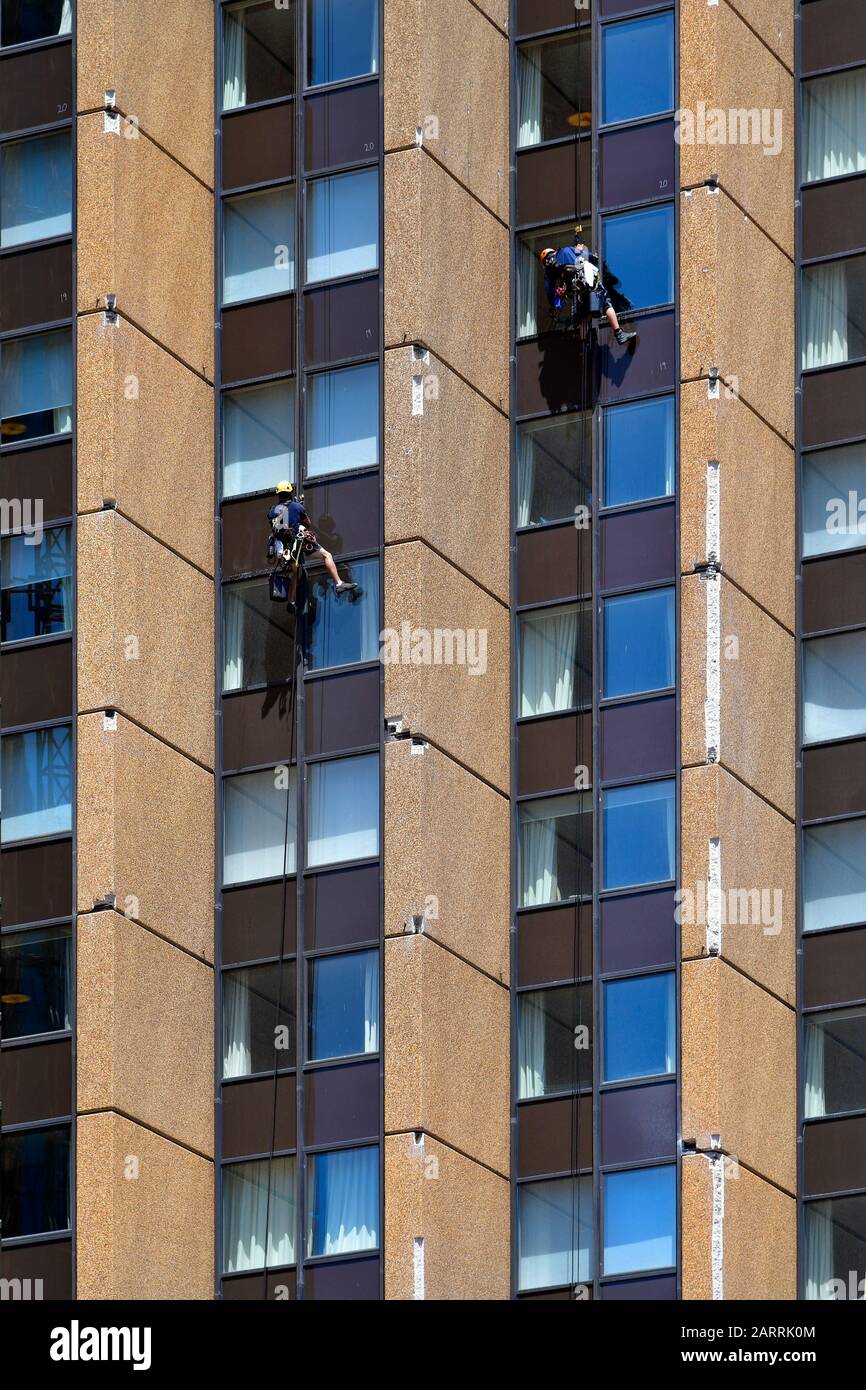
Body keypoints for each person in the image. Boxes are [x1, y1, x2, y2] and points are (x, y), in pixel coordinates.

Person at [268, 482, 355, 609]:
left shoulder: (272, 511)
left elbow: (279, 523)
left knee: (296, 573)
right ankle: (339, 583)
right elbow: (307, 523)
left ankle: (291, 602)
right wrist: (300, 507)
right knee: (326, 555)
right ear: (290, 492)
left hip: (284, 548)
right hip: (299, 541)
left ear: (278, 494)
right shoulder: (297, 507)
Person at [540, 231, 637, 345]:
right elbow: (584, 254)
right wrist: (595, 257)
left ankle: (584, 343)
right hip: (586, 280)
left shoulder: (549, 270)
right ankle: (619, 333)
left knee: (583, 314)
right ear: (553, 251)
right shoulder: (566, 250)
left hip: (577, 290)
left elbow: (549, 290)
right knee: (606, 304)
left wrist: (553, 304)